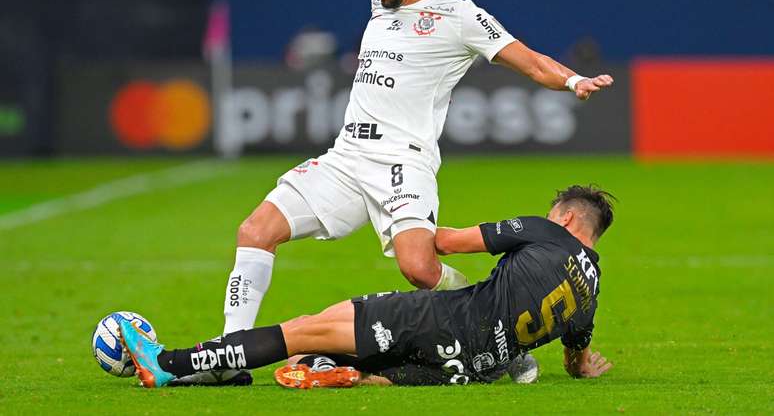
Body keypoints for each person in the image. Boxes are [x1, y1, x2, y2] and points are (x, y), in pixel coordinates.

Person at [199, 0, 614, 385]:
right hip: (346, 157)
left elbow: (532, 62)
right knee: (255, 230)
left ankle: (494, 336)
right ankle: (225, 358)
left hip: (403, 160)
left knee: (418, 269)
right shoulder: (380, 3)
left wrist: (575, 81)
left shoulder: (459, 17)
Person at [120, 185, 615, 388]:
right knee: (338, 357)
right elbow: (575, 363)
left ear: (567, 217)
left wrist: (399, 212)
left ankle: (169, 366)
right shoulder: (590, 292)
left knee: (302, 329)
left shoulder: (544, 230)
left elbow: (443, 242)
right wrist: (585, 366)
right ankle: (340, 372)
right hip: (469, 368)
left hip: (440, 319)